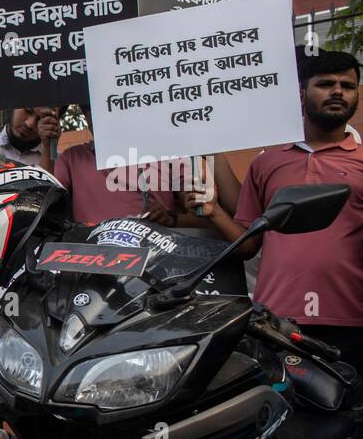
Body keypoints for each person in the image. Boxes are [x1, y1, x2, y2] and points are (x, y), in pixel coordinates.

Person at [187, 49, 363, 371]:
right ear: (301, 93)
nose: (338, 92)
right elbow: (248, 246)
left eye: (348, 86)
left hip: (351, 319)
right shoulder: (267, 162)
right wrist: (213, 211)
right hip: (275, 320)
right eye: (326, 84)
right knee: (279, 402)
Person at [54, 104, 239, 227]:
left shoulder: (169, 153)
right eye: (90, 109)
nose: (100, 117)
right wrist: (48, 144)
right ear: (86, 118)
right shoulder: (71, 158)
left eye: (108, 107)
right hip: (91, 263)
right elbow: (48, 206)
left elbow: (202, 214)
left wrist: (170, 219)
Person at [0, 107, 64, 171]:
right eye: (27, 110)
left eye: (40, 119)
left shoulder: (62, 164)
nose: (29, 124)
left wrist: (48, 150)